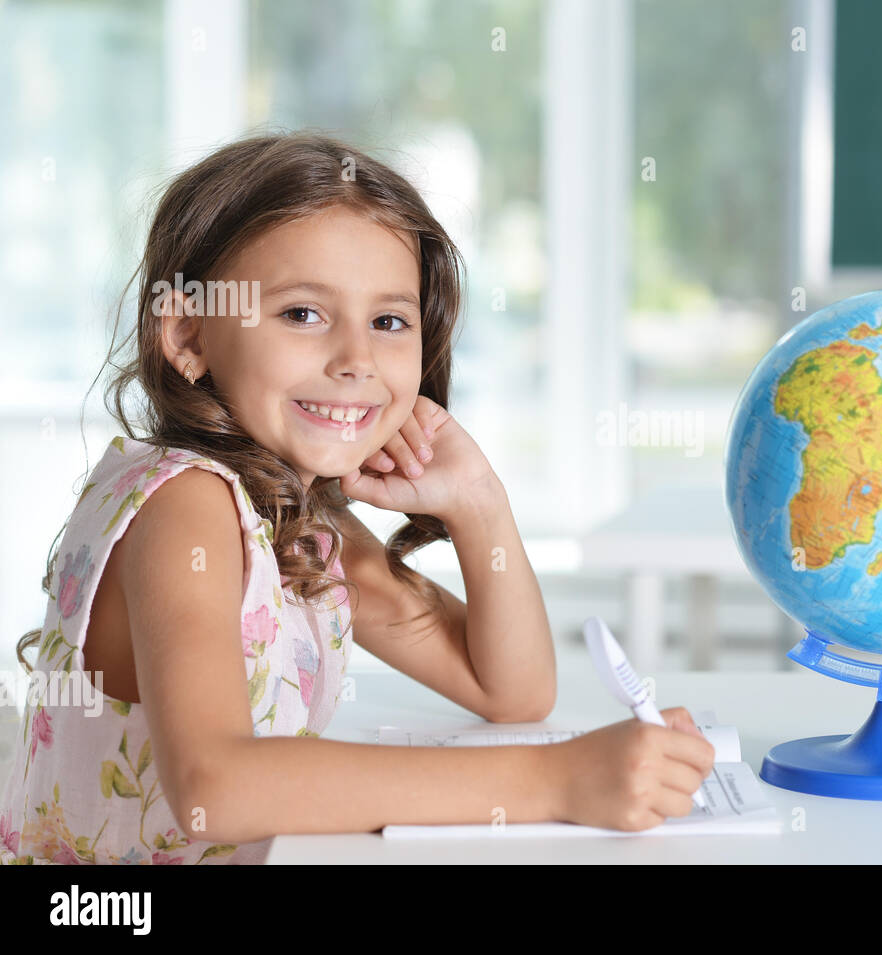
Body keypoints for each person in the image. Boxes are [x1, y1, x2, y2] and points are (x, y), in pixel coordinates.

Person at [0, 131, 713, 865]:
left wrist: (478, 501)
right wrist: (554, 779)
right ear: (187, 334)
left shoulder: (301, 525)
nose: (356, 360)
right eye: (302, 313)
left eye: (388, 321)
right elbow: (215, 786)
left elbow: (513, 691)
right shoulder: (185, 505)